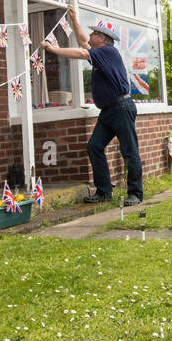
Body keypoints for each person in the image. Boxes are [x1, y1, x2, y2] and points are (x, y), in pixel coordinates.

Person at [42, 13, 143, 205]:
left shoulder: (108, 53)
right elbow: (83, 42)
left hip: (121, 108)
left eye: (95, 33)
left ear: (102, 39)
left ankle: (136, 194)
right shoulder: (99, 55)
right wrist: (74, 19)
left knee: (129, 152)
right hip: (108, 111)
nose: (91, 35)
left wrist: (52, 49)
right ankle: (104, 192)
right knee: (94, 146)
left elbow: (81, 52)